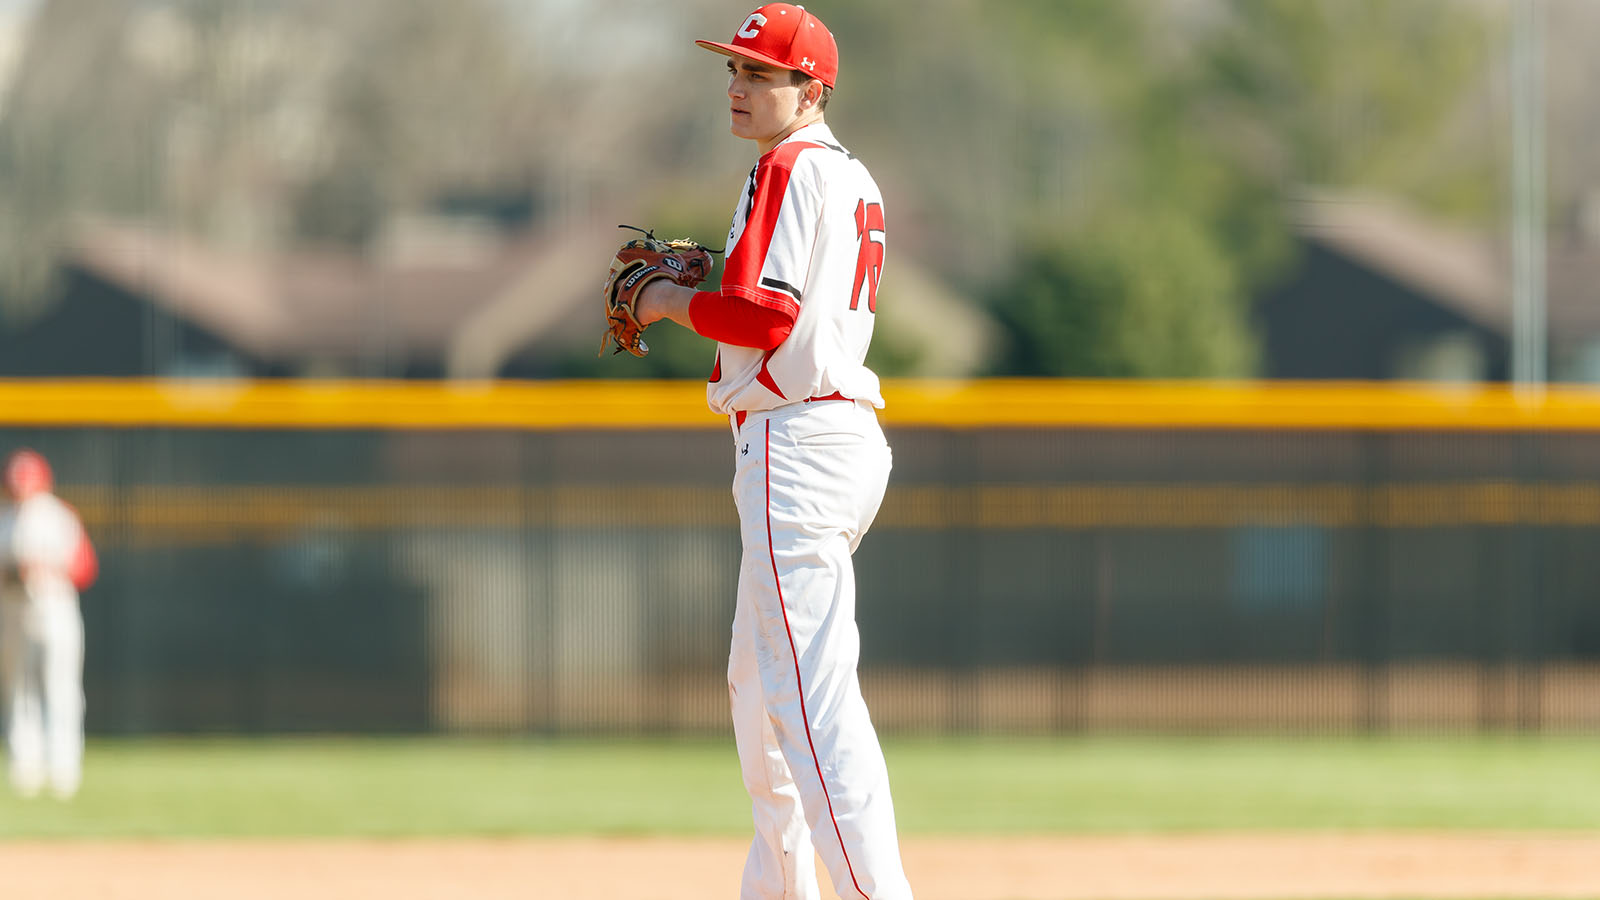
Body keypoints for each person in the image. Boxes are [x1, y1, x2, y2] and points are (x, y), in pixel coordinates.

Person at [630, 5, 912, 898]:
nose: (739, 86)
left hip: (798, 443)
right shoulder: (848, 173)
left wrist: (664, 303)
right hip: (829, 435)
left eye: (761, 74)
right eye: (734, 70)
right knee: (758, 692)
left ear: (811, 90)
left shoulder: (787, 166)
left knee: (809, 705)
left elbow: (764, 317)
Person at [0, 449, 90, 800]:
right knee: (18, 690)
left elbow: (85, 568)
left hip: (54, 608)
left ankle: (64, 767)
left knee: (61, 687)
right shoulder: (4, 519)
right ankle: (25, 766)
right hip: (12, 611)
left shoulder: (59, 517)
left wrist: (42, 569)